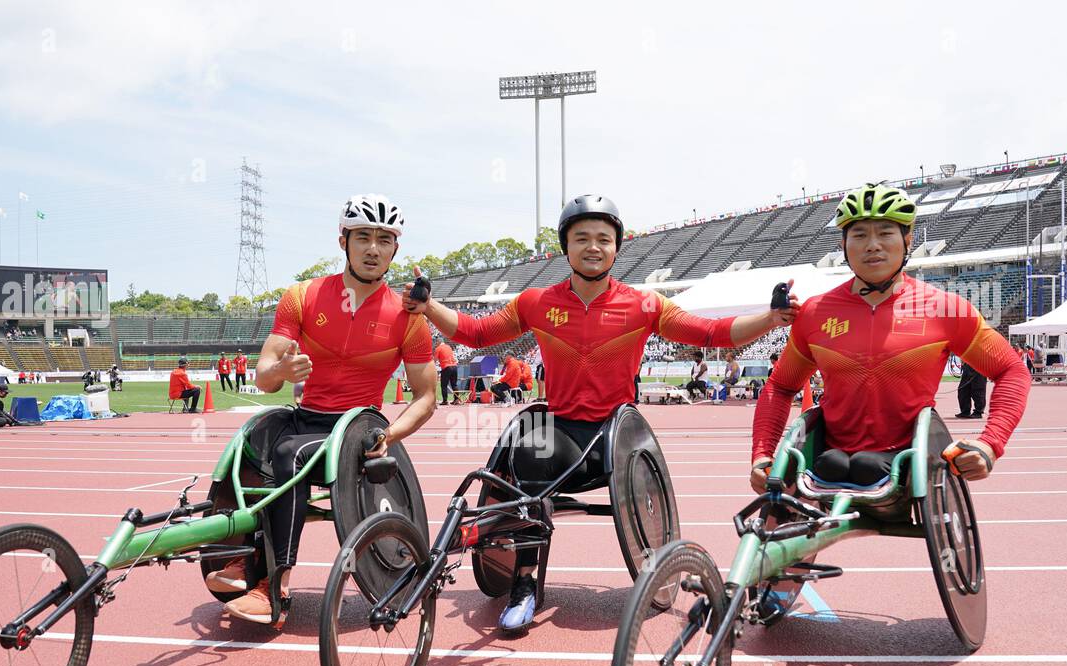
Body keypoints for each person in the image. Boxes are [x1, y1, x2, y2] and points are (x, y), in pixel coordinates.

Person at [406, 193, 797, 631]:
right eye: (582, 238)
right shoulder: (536, 302)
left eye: (603, 239)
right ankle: (525, 582)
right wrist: (428, 307)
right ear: (565, 246)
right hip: (560, 431)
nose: (593, 247)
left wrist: (769, 318)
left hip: (615, 439)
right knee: (531, 449)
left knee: (555, 448)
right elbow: (477, 334)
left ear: (616, 246)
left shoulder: (644, 304)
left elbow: (710, 332)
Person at [205, 193, 437, 626]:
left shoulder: (409, 318)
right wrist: (283, 368)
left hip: (357, 431)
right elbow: (263, 376)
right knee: (251, 447)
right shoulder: (302, 296)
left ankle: (274, 586)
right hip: (305, 417)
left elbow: (427, 397)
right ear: (343, 241)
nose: (373, 248)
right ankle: (244, 555)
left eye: (384, 240)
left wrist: (391, 435)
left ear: (395, 250)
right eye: (363, 237)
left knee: (288, 454)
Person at [750, 183, 1030, 493]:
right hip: (826, 462)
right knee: (769, 523)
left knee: (868, 466)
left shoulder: (946, 308)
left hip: (907, 461)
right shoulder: (814, 312)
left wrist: (990, 444)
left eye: (885, 233)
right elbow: (781, 385)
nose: (872, 245)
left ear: (907, 240)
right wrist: (762, 455)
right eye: (859, 235)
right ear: (843, 244)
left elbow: (1011, 370)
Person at [435, 338, 459, 404]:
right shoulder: (448, 347)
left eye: (436, 342)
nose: (436, 344)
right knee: (454, 384)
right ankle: (456, 400)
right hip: (454, 366)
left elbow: (435, 360)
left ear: (439, 342)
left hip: (446, 367)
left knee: (444, 385)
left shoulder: (438, 348)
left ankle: (445, 400)